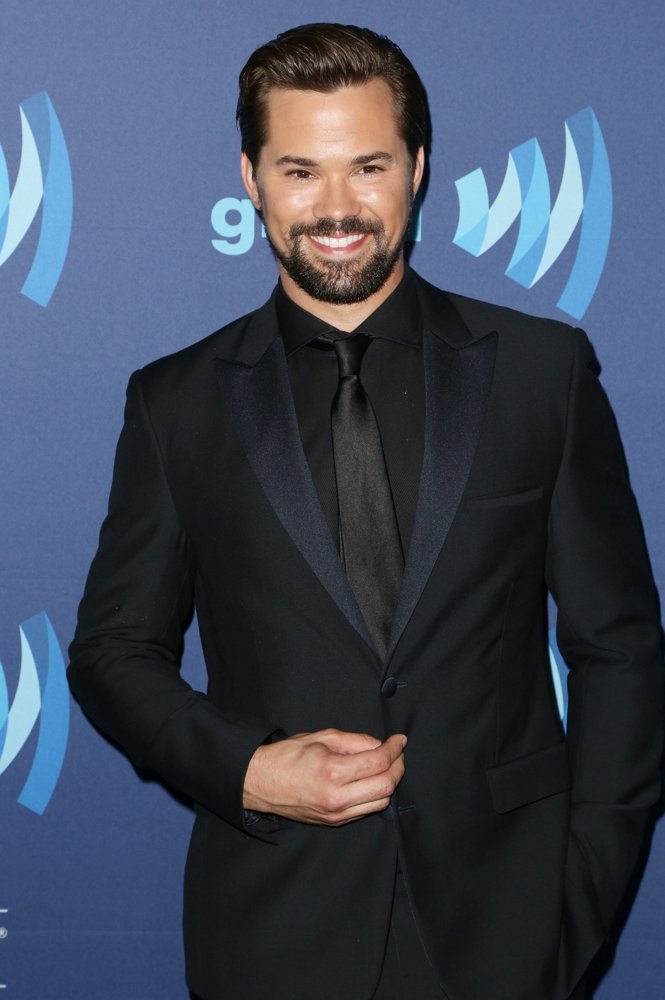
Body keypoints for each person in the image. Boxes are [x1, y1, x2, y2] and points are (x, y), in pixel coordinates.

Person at [67, 22, 663, 1000]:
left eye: (368, 166)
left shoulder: (539, 373)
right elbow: (112, 651)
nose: (335, 207)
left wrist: (572, 909)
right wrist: (248, 770)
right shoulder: (175, 402)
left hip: (508, 935)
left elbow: (620, 651)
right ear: (251, 179)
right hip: (270, 935)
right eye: (300, 171)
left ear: (417, 170)